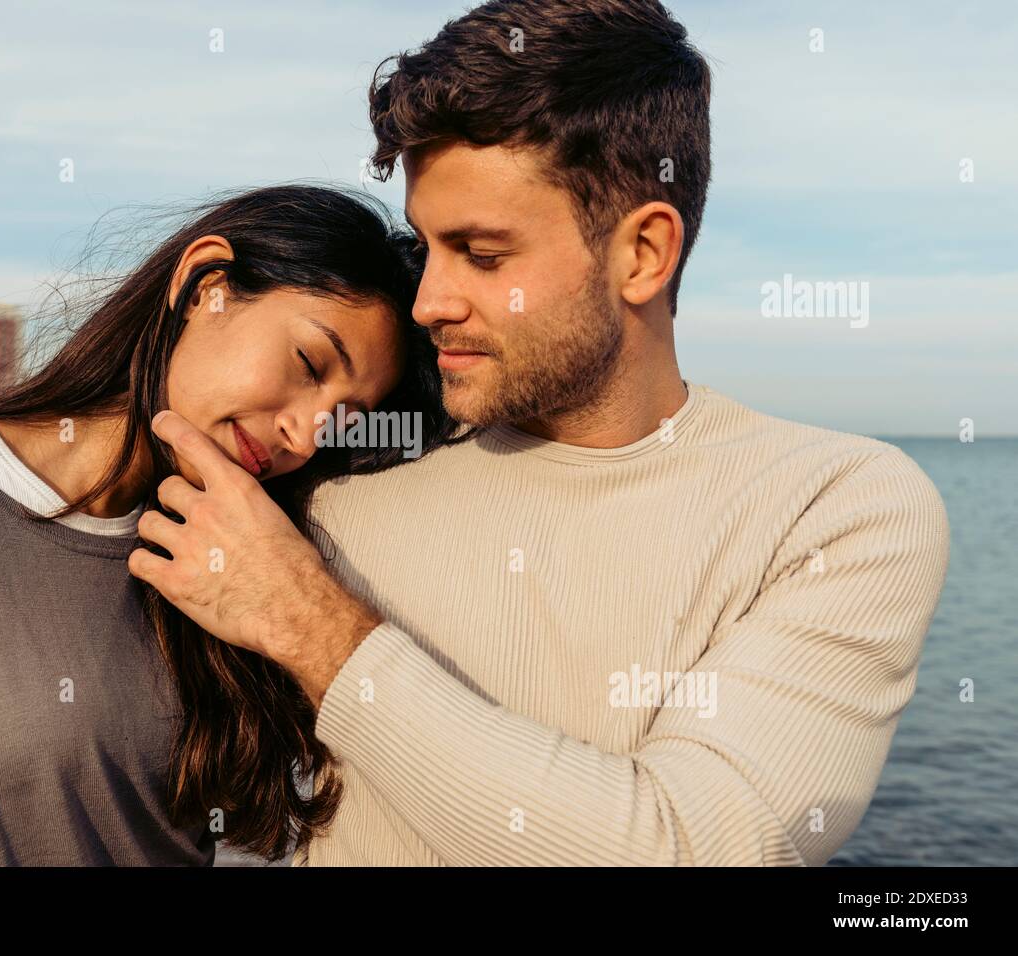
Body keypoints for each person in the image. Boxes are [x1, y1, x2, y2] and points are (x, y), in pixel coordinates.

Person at [129, 0, 952, 866]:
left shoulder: (838, 508)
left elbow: (696, 848)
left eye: (481, 255)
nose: (428, 302)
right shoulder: (341, 464)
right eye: (426, 247)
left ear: (643, 255)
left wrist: (314, 628)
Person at [0, 184, 457, 865]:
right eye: (309, 362)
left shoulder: (235, 563)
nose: (306, 431)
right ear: (207, 286)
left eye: (345, 419)